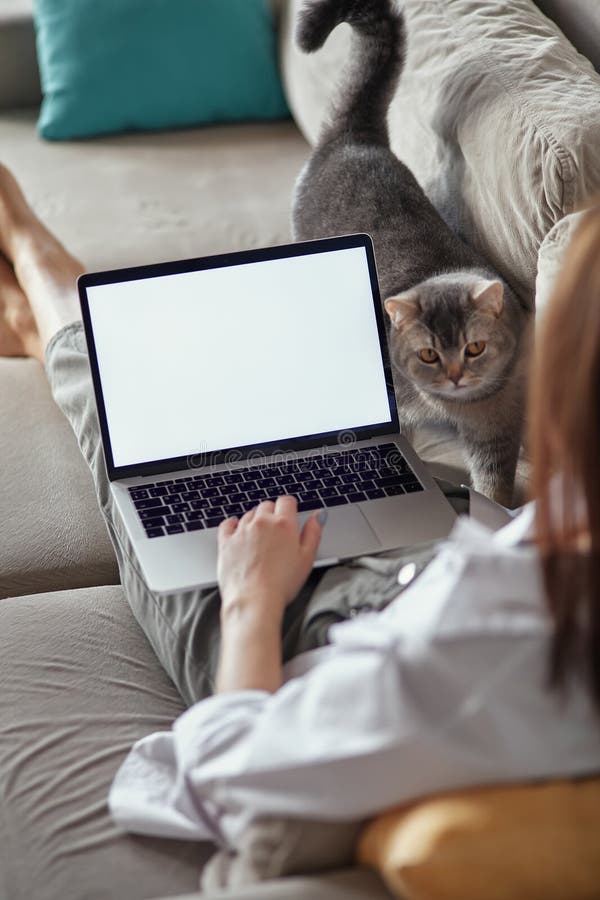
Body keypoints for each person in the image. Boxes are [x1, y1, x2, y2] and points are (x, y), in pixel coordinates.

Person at [0, 162, 599, 853]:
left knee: (126, 429)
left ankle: (32, 264)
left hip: (311, 623)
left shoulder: (462, 667)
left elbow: (226, 778)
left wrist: (251, 599)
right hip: (439, 557)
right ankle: (44, 317)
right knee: (281, 433)